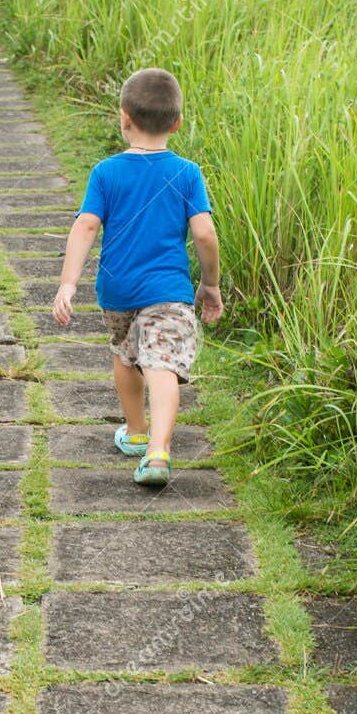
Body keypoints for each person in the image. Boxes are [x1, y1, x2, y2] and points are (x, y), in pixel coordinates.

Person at [52, 67, 222, 486]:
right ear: (178, 124)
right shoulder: (187, 173)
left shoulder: (106, 173)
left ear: (124, 117)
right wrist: (210, 283)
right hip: (168, 290)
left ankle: (137, 431)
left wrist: (68, 283)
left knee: (125, 352)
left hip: (117, 289)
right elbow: (203, 232)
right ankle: (159, 451)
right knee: (162, 363)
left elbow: (86, 227)